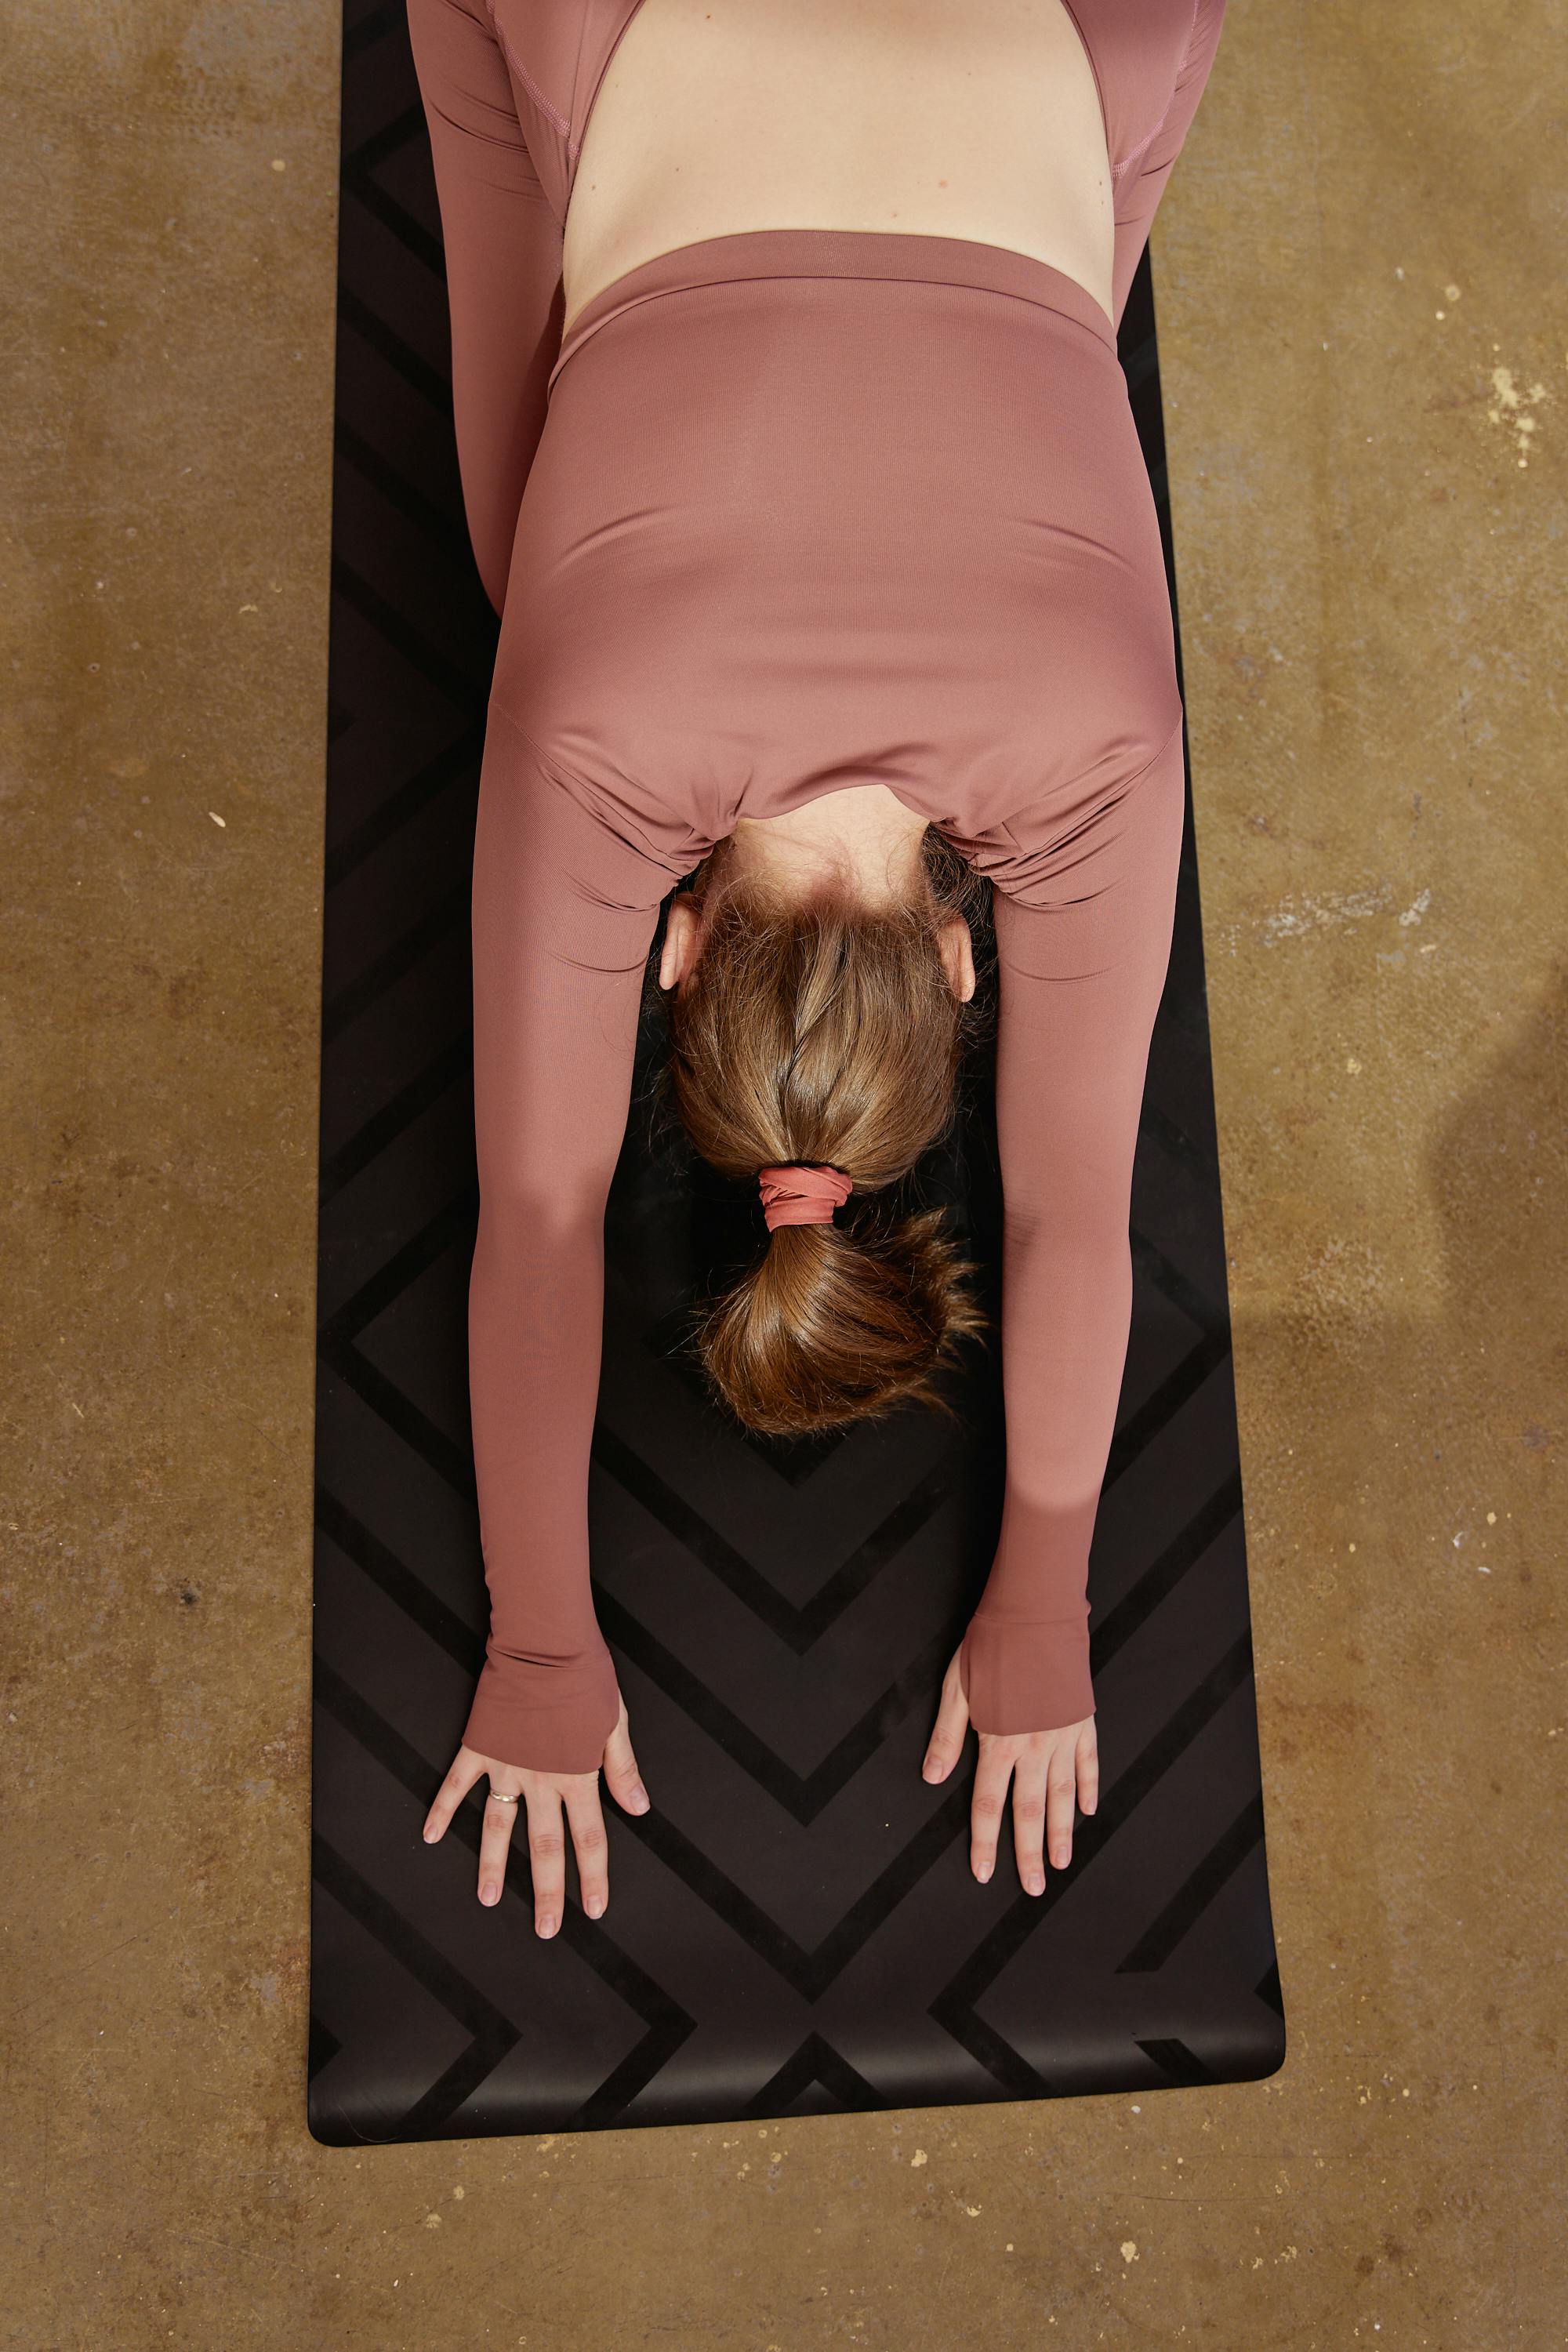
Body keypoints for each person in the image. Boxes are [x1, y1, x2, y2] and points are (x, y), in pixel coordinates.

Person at [407, 0, 1226, 1938]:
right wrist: (541, 1654)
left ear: (959, 961)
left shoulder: (1099, 754)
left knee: (1079, 267)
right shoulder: (592, 732)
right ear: (679, 947)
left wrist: (1048, 1599)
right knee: (515, 477)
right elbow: (533, 1216)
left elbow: (1077, 1218)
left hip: (1085, 44)